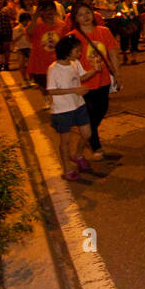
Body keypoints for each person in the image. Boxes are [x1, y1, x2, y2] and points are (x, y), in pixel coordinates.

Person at [69, 1, 121, 161]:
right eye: (81, 14)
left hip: (103, 79)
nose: (85, 17)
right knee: (91, 114)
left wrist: (117, 74)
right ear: (75, 19)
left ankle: (87, 135)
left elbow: (112, 54)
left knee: (101, 110)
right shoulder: (72, 37)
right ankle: (96, 146)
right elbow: (67, 61)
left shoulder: (104, 31)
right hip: (84, 81)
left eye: (88, 13)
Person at [46, 36, 99, 182]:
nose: (80, 53)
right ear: (66, 52)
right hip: (63, 110)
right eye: (77, 51)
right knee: (65, 140)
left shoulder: (75, 63)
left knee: (87, 134)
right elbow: (51, 91)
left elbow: (80, 77)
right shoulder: (54, 69)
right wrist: (74, 90)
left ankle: (78, 155)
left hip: (78, 105)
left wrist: (94, 70)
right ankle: (67, 168)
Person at [28, 1, 66, 109]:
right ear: (41, 12)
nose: (49, 12)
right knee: (43, 83)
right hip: (39, 61)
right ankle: (47, 99)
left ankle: (58, 101)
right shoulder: (37, 24)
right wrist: (35, 17)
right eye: (45, 10)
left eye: (51, 9)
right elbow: (29, 32)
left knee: (58, 83)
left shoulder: (62, 24)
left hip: (56, 60)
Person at [115, 0, 142, 65]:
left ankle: (134, 58)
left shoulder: (135, 5)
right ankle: (125, 55)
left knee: (134, 41)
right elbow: (118, 15)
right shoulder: (120, 6)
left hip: (134, 26)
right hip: (124, 26)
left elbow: (138, 15)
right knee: (124, 42)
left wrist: (138, 24)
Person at [13, 12, 33, 87]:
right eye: (26, 20)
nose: (27, 22)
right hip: (20, 48)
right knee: (21, 64)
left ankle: (31, 79)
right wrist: (22, 33)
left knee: (30, 64)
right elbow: (14, 39)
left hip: (29, 47)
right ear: (22, 20)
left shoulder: (30, 28)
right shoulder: (17, 29)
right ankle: (24, 80)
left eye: (28, 20)